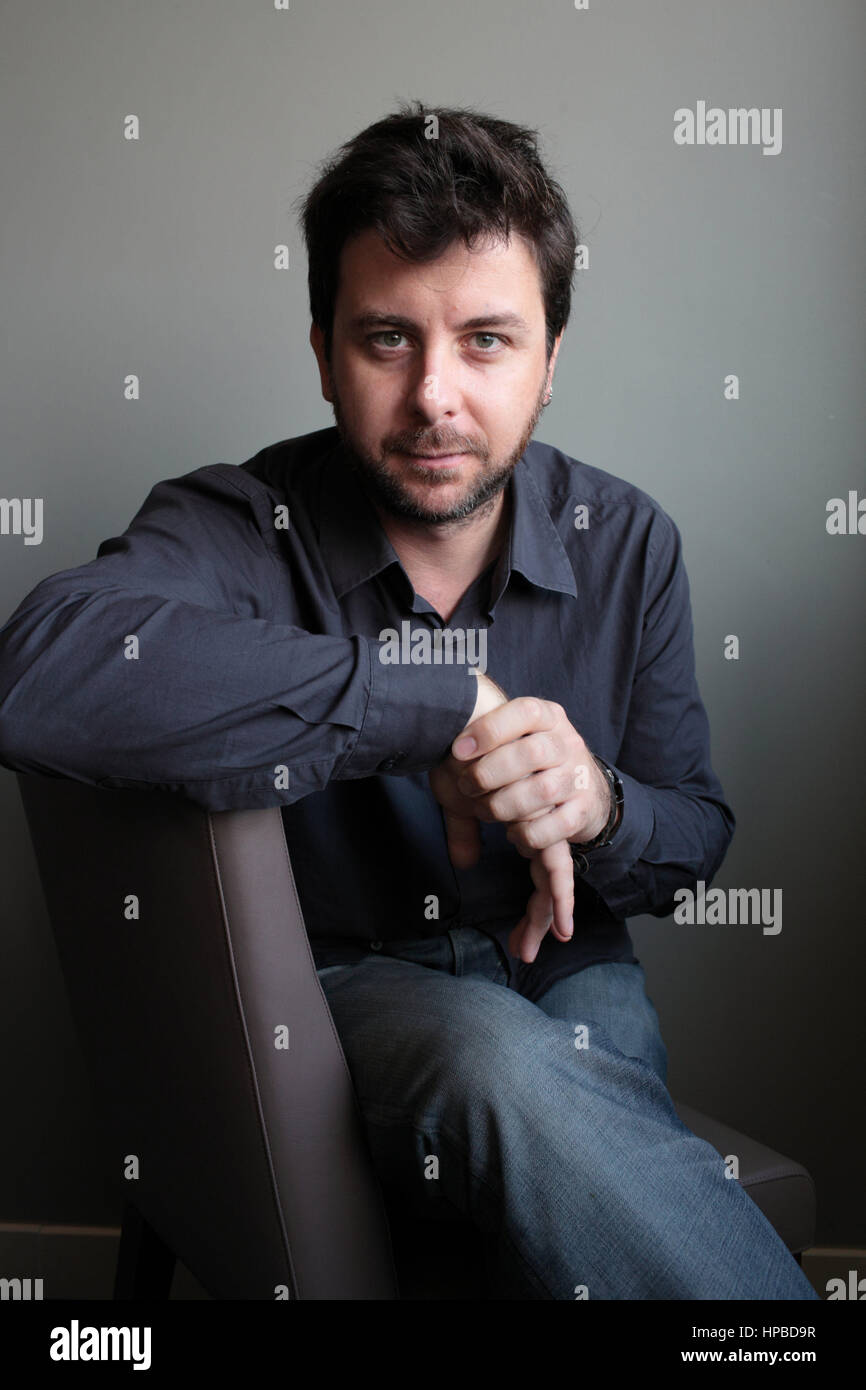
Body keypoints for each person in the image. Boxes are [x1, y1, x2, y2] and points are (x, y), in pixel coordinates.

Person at [0, 101, 818, 1299]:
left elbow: (688, 834)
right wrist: (429, 699)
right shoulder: (235, 525)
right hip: (336, 994)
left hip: (564, 970)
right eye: (388, 340)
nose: (435, 394)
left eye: (487, 340)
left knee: (569, 1136)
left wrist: (596, 808)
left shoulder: (629, 539)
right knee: (496, 1071)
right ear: (324, 347)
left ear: (551, 361)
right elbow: (38, 674)